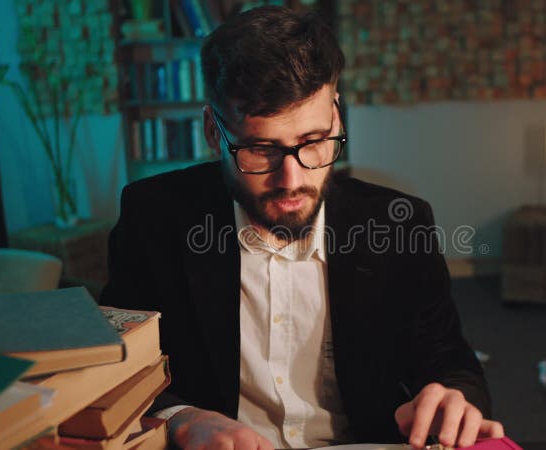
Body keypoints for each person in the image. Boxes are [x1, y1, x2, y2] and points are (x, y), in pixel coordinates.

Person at [100, 5, 502, 450]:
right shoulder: (151, 215)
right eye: (259, 150)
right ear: (214, 132)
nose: (292, 181)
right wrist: (180, 418)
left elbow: (450, 361)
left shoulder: (402, 222)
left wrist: (454, 397)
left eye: (313, 142)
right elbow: (119, 369)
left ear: (336, 114)